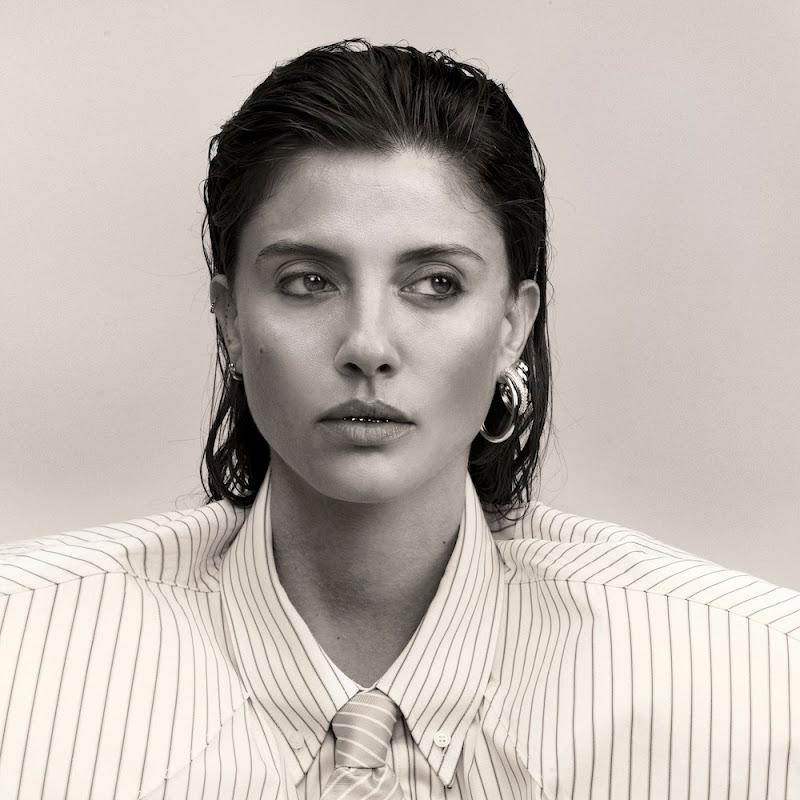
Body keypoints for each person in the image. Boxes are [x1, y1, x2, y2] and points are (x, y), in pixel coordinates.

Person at [0, 39, 798, 800]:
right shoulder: (21, 649)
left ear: (512, 325)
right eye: (308, 281)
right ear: (231, 320)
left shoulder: (758, 679)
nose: (368, 346)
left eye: (436, 284)